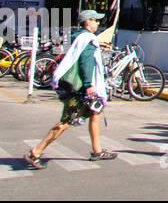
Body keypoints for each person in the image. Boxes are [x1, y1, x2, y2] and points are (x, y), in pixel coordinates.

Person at [24, 11, 115, 168]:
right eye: (96, 21)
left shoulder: (77, 36)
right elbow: (85, 63)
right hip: (80, 88)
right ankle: (35, 152)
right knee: (66, 122)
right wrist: (88, 85)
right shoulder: (88, 39)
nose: (98, 24)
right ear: (88, 22)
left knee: (95, 113)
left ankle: (97, 150)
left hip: (78, 86)